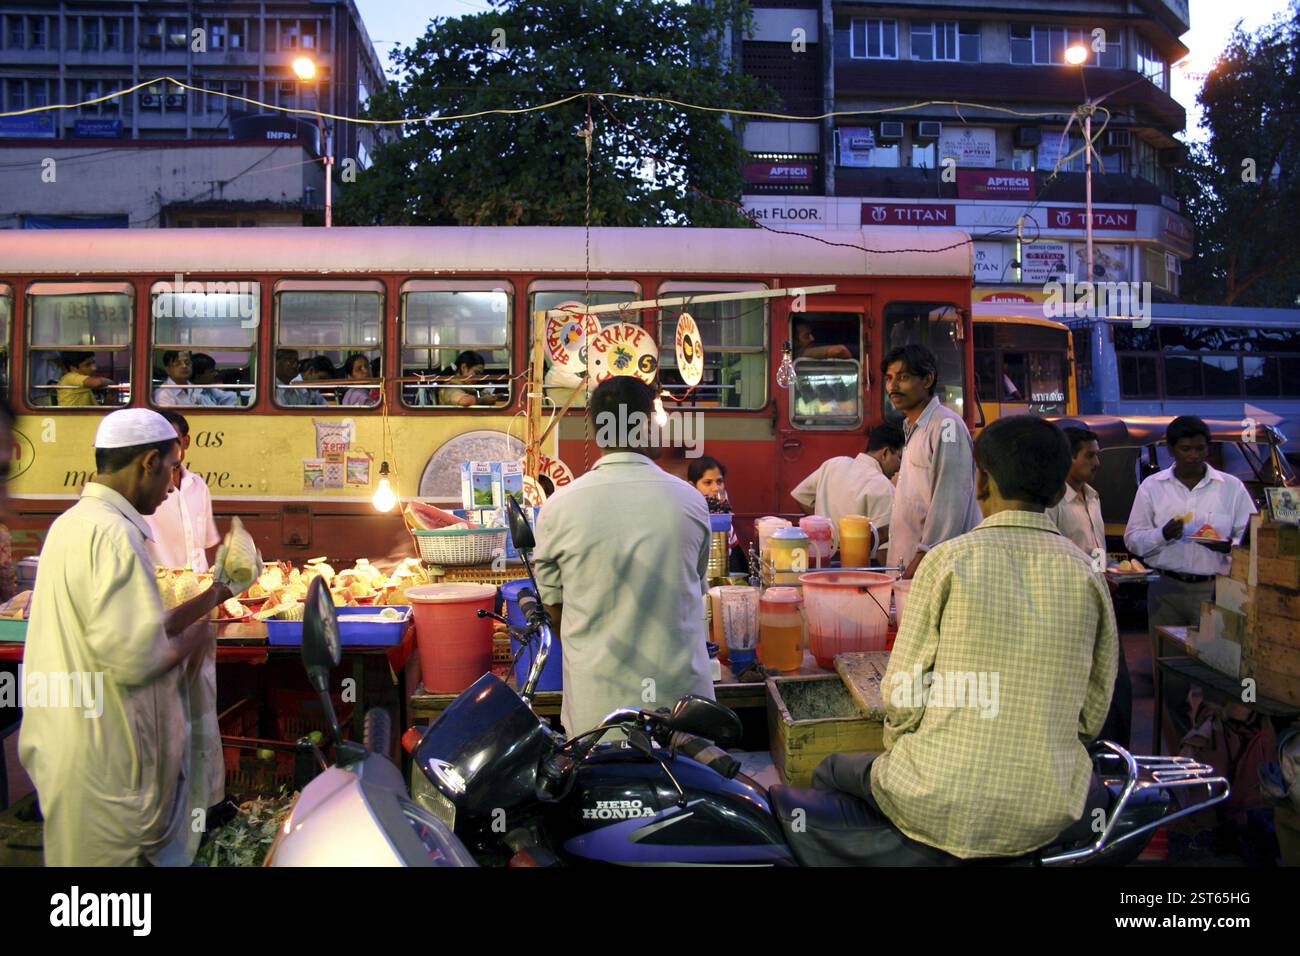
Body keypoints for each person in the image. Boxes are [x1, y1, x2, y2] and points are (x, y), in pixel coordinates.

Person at [811, 416, 1118, 860]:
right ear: (1057, 493)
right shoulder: (1088, 574)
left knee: (831, 770)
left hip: (935, 795)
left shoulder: (946, 562)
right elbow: (1091, 713)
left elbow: (902, 695)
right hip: (1051, 803)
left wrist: (902, 749)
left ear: (980, 484)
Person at [19, 408, 251, 866]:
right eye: (170, 470)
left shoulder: (74, 524)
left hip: (74, 750)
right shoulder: (115, 537)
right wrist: (201, 639)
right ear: (148, 462)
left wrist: (217, 595)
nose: (171, 487)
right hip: (106, 765)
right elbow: (138, 657)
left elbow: (138, 626)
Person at [531, 376, 715, 736]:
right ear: (648, 425)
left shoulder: (558, 507)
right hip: (683, 717)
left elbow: (553, 611)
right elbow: (692, 586)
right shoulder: (690, 501)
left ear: (598, 431)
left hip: (597, 720)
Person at [1124, 415, 1256, 744]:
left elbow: (1249, 535)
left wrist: (1232, 546)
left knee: (1216, 680)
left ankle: (1211, 751)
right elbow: (1132, 539)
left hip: (1215, 592)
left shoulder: (1231, 488)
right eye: (1186, 449)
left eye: (1200, 449)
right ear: (1172, 450)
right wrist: (1161, 534)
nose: (1195, 455)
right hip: (1166, 590)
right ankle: (1182, 753)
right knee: (1171, 684)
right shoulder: (1152, 488)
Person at [1047, 426, 1131, 747]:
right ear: (1068, 458)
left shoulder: (1092, 497)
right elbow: (1054, 556)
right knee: (1086, 688)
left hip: (1103, 603)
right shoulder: (1052, 503)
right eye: (1089, 455)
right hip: (1071, 609)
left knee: (1115, 686)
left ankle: (1115, 757)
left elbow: (1093, 552)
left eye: (1098, 454)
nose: (1096, 462)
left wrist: (1105, 574)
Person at [883, 344, 982, 578]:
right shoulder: (913, 428)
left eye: (903, 377)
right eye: (889, 378)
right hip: (910, 569)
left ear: (927, 380)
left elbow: (949, 506)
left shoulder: (946, 425)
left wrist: (919, 564)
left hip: (931, 570)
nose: (893, 387)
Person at [790, 423, 904, 554]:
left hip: (822, 555)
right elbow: (884, 546)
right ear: (885, 453)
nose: (899, 467)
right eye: (899, 458)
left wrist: (826, 527)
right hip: (857, 565)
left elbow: (801, 496)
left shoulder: (834, 464)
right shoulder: (884, 487)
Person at [686, 455, 745, 572]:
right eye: (708, 483)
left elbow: (733, 562)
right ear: (692, 486)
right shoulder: (688, 517)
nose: (716, 488)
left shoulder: (725, 516)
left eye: (719, 481)